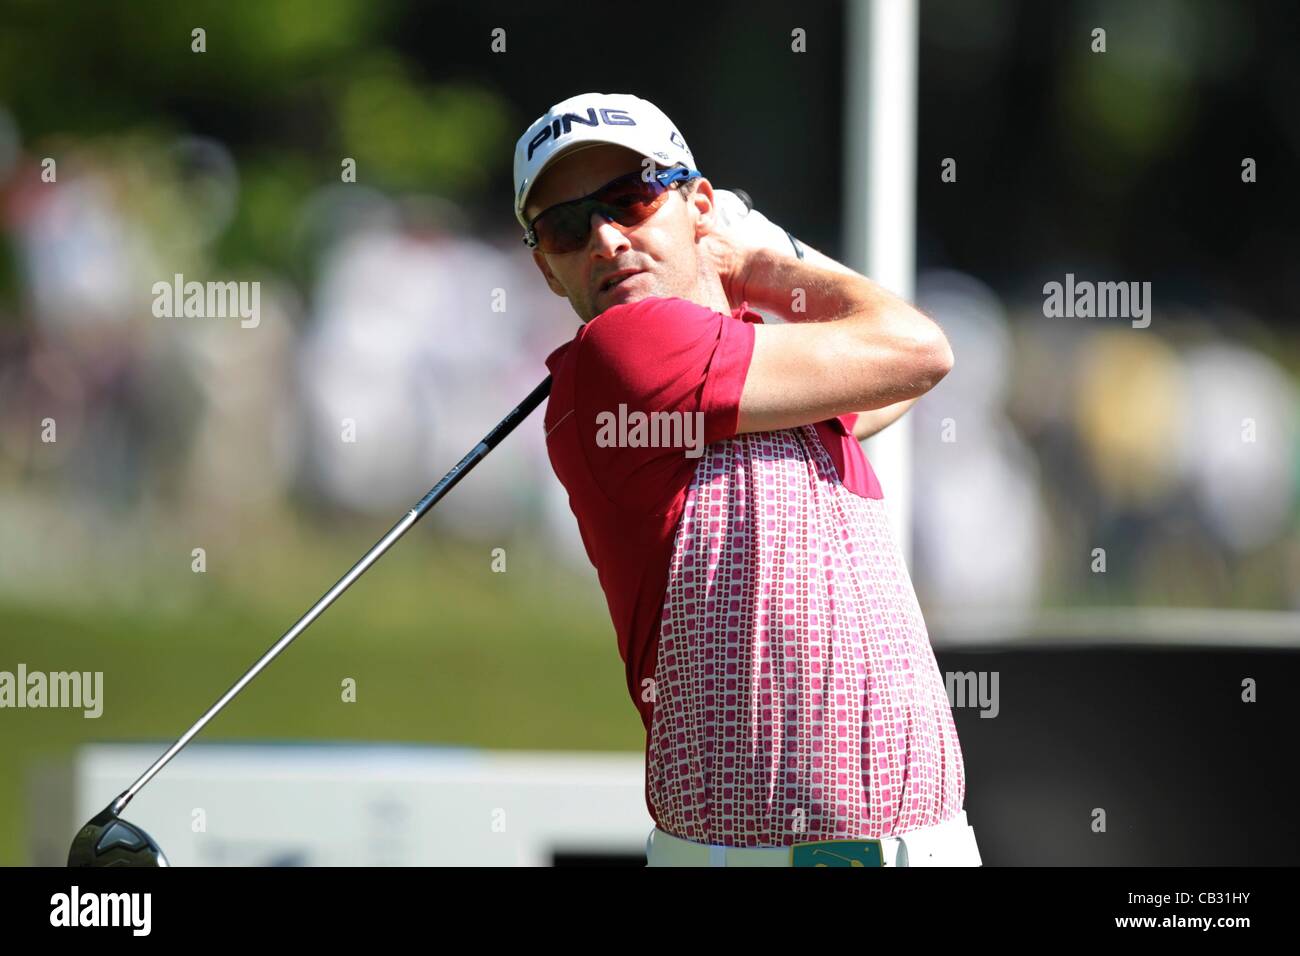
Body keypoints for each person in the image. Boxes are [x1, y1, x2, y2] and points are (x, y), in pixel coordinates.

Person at [513, 92, 981, 867]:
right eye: (564, 226)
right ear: (546, 267)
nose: (604, 238)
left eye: (630, 200)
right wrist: (758, 260)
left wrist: (744, 272)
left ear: (696, 203)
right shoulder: (621, 355)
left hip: (926, 845)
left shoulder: (759, 373)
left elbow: (901, 372)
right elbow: (918, 348)